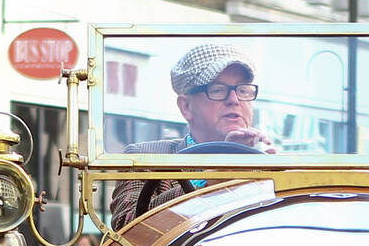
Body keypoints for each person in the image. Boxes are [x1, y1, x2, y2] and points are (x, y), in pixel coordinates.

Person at [110, 42, 276, 229]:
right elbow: (126, 227)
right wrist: (213, 179)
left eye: (243, 90)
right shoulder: (145, 156)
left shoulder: (274, 164)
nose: (234, 100)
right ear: (186, 107)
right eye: (218, 90)